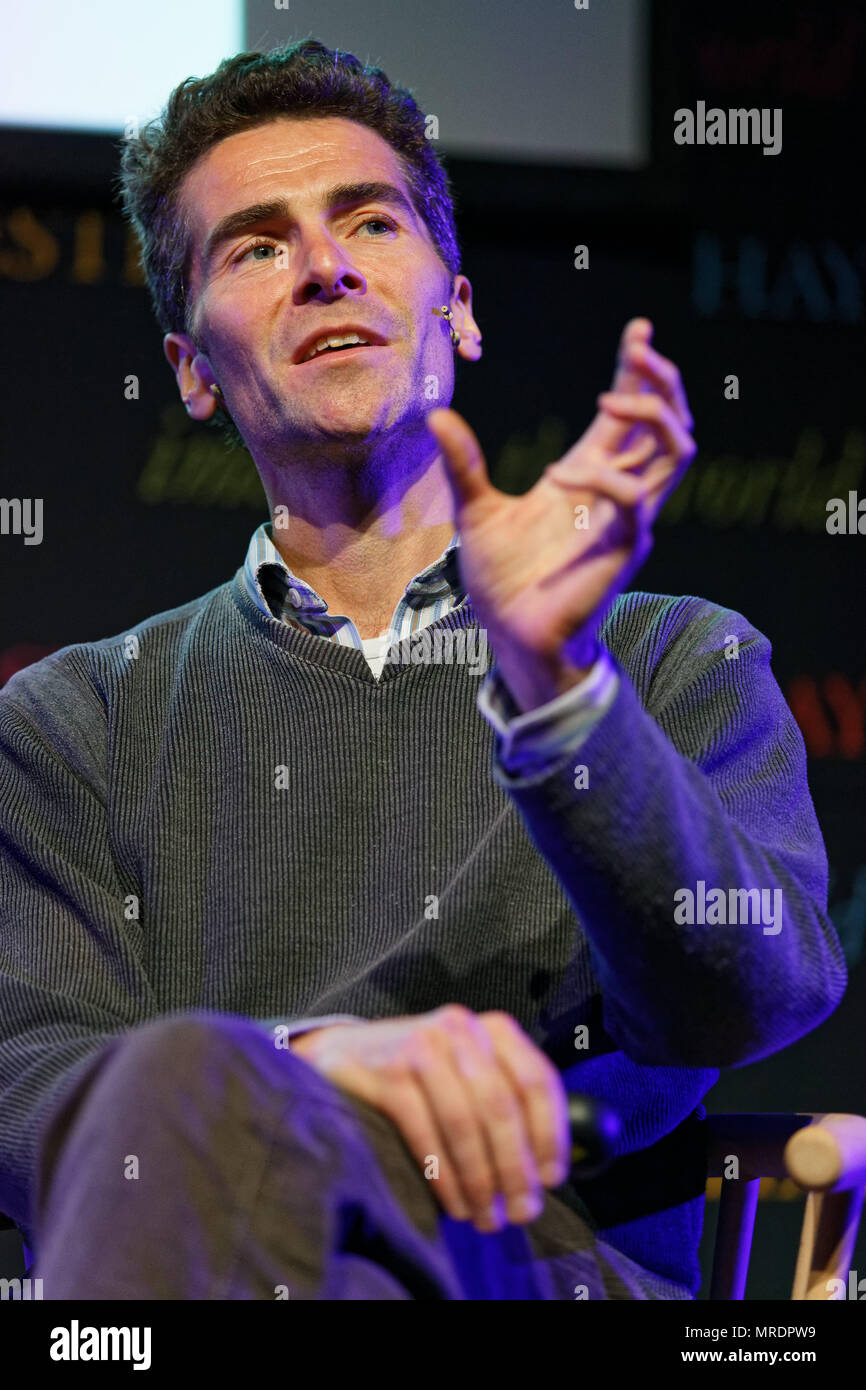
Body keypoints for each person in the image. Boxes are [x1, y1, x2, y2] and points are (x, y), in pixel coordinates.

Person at [0, 39, 847, 1301]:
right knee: (186, 1106)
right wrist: (301, 1068)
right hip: (223, 1250)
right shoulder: (73, 719)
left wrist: (557, 686)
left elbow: (749, 993)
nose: (325, 265)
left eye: (368, 221)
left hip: (542, 1268)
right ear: (190, 368)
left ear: (456, 303)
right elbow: (26, 1088)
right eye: (256, 246)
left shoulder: (671, 654)